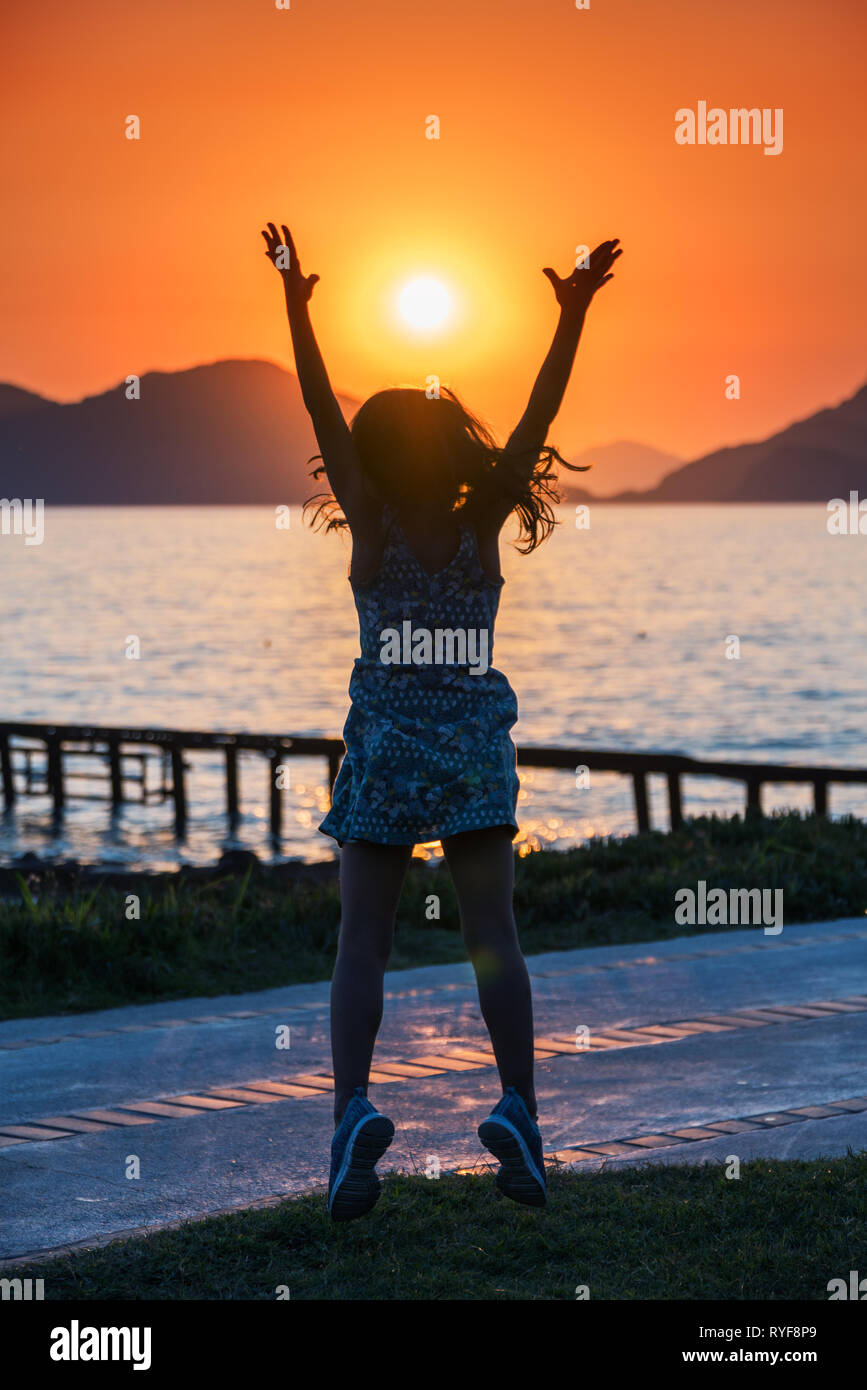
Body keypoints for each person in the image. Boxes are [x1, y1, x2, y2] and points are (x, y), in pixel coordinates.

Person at [261, 222, 622, 1220]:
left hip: (382, 755)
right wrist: (573, 315)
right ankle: (521, 1112)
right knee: (493, 933)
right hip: (471, 756)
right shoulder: (479, 525)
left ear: (373, 458)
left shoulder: (371, 530)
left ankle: (350, 1115)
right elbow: (542, 418)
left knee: (362, 942)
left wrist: (297, 307)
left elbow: (312, 406)